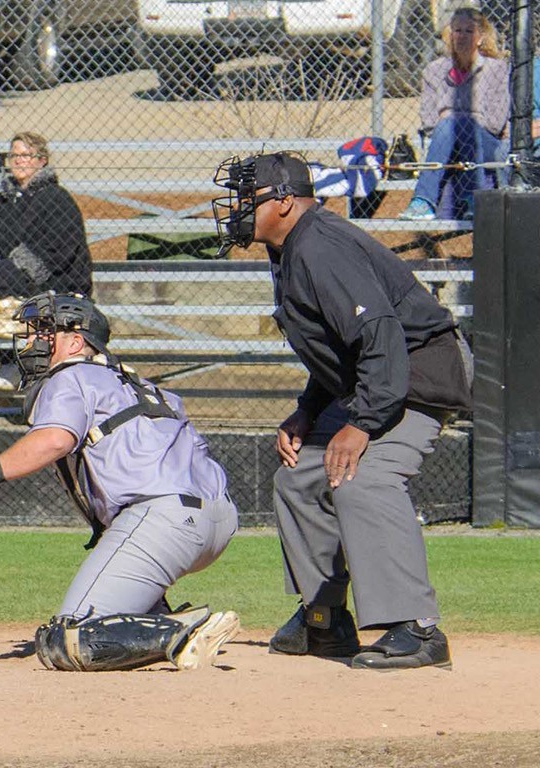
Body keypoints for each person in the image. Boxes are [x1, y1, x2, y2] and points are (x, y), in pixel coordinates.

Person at [215, 152, 469, 671]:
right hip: (378, 374)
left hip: (418, 373)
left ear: (284, 202)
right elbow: (336, 349)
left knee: (363, 477)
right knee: (300, 477)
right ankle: (325, 621)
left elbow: (381, 335)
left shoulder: (320, 246)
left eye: (249, 198)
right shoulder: (291, 247)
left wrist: (361, 425)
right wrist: (309, 411)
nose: (238, 208)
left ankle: (417, 630)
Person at [0, 292, 241, 672]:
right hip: (218, 519)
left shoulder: (71, 374)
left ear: (76, 341)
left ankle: (177, 633)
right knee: (110, 608)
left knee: (69, 637)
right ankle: (158, 614)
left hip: (162, 521)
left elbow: (53, 440)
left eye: (45, 332)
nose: (32, 341)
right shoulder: (138, 384)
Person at [0, 132, 91, 392]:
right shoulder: (3, 201)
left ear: (41, 160)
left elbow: (60, 249)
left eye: (26, 155)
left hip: (54, 279)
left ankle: (13, 364)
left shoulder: (56, 199)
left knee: (6, 281)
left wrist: (14, 266)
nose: (18, 161)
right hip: (5, 274)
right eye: (14, 155)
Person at [400, 7, 509, 221]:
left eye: (469, 31)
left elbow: (496, 124)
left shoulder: (497, 69)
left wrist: (458, 118)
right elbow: (430, 122)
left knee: (456, 122)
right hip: (445, 144)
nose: (462, 37)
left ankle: (424, 201)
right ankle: (435, 201)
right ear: (450, 35)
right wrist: (457, 119)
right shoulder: (434, 70)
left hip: (487, 143)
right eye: (457, 31)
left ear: (480, 38)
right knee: (450, 124)